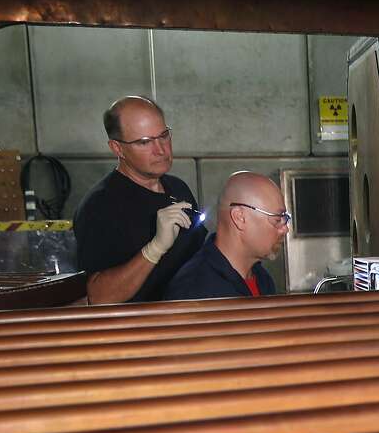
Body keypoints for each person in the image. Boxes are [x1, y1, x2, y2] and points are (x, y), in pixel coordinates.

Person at [73, 95, 204, 303]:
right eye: (144, 142)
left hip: (185, 321)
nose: (160, 150)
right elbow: (99, 296)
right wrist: (154, 249)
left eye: (164, 136)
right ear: (117, 148)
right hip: (139, 331)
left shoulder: (178, 188)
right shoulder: (100, 206)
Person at [164, 171, 289, 300]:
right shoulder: (195, 291)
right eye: (277, 219)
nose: (285, 229)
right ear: (240, 217)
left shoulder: (262, 279)